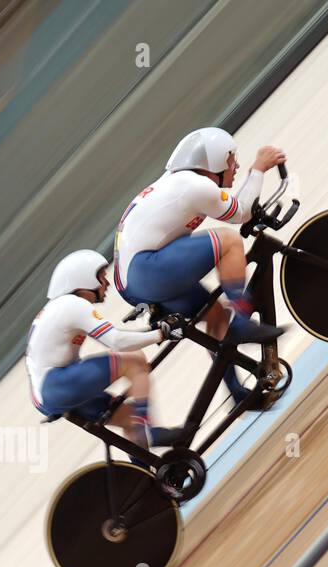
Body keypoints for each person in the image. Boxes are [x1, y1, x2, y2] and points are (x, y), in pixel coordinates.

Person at [112, 127, 287, 396]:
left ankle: (238, 393)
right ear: (214, 163)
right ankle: (241, 319)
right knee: (228, 241)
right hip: (146, 270)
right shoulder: (195, 185)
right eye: (231, 159)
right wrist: (259, 168)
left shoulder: (178, 182)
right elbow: (240, 212)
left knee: (215, 316)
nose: (236, 165)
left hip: (137, 279)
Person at [26, 249, 178, 449]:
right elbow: (117, 341)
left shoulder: (59, 307)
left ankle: (148, 477)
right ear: (84, 280)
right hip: (56, 384)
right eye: (101, 277)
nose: (106, 283)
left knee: (131, 421)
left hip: (50, 391)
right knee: (134, 360)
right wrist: (160, 334)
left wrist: (153, 332)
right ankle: (152, 431)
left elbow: (116, 339)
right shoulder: (73, 305)